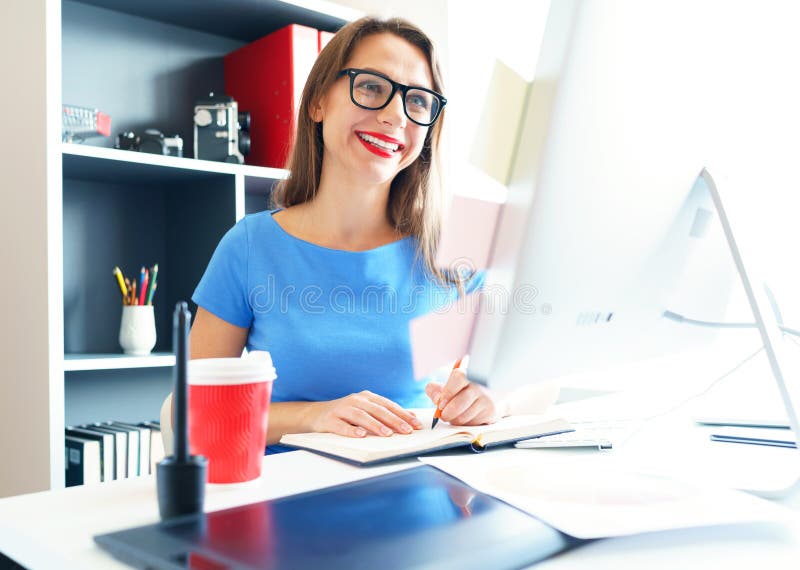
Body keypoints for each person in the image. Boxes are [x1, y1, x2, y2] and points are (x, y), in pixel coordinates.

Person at [190, 16, 508, 450]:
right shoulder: (249, 247)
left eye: (418, 101)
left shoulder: (457, 243)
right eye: (373, 87)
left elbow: (524, 384)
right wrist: (314, 415)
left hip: (427, 494)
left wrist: (492, 400)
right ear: (319, 102)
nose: (396, 115)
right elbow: (191, 409)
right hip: (294, 503)